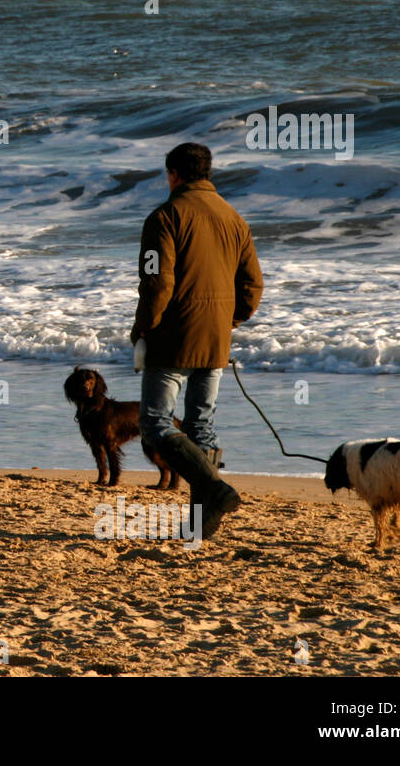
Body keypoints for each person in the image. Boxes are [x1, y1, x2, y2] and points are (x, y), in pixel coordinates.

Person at [130, 143, 263, 538]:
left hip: (174, 336)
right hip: (216, 336)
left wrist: (143, 328)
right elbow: (253, 284)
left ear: (173, 174)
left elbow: (157, 282)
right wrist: (232, 319)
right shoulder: (234, 218)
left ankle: (215, 488)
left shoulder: (164, 217)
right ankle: (198, 527)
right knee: (201, 427)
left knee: (155, 424)